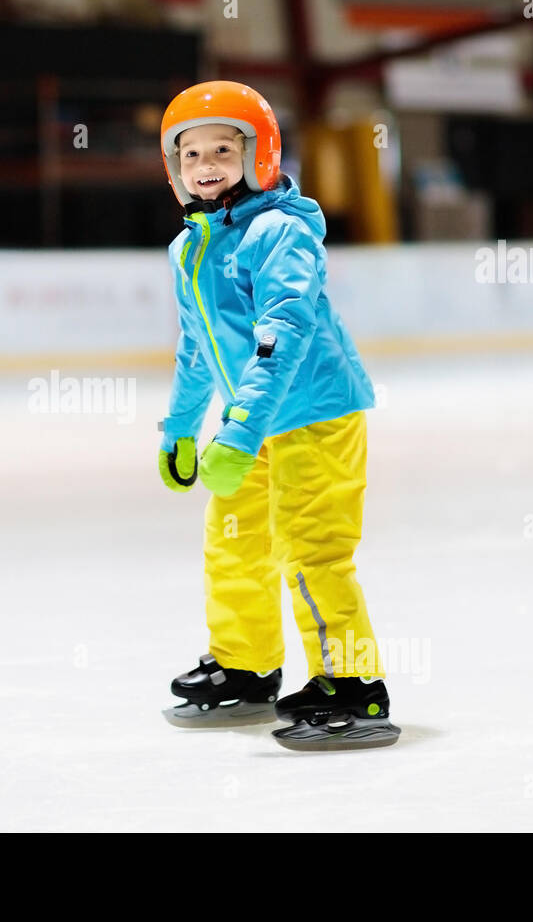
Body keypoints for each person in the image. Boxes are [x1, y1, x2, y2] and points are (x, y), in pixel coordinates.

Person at [155, 81, 400, 750]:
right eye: (191, 153)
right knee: (234, 541)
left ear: (258, 153)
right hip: (253, 422)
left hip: (314, 413)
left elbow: (283, 334)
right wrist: (181, 428)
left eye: (223, 149)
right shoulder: (190, 247)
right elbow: (197, 346)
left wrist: (238, 431)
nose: (206, 165)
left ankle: (353, 684)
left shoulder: (279, 233)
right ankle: (246, 665)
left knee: (312, 549)